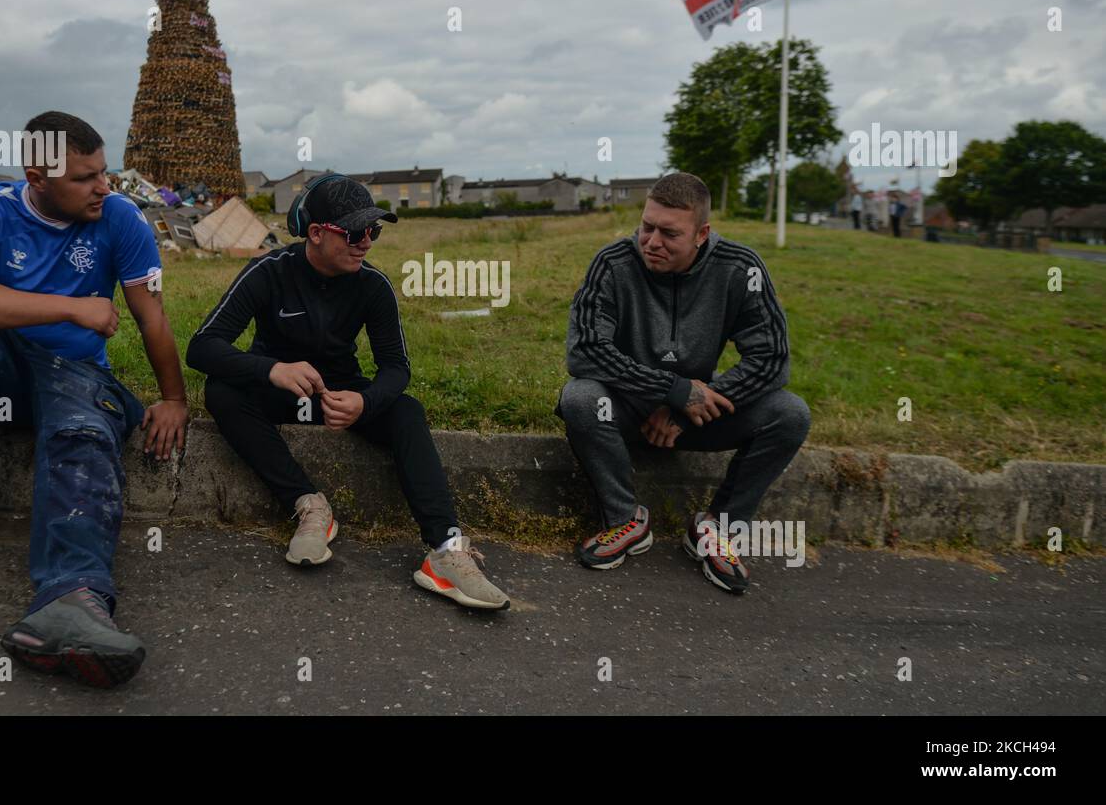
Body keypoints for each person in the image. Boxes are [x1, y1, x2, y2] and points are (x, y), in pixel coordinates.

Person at [0, 111, 188, 688]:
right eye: (84, 178)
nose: (102, 187)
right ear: (37, 175)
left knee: (83, 429)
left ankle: (71, 599)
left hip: (74, 373)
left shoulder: (121, 217)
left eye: (103, 172)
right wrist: (71, 306)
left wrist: (174, 397)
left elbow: (151, 317)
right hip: (1, 368)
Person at [187, 174, 509, 610]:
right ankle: (309, 505)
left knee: (406, 412)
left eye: (373, 231)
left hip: (342, 395)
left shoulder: (373, 286)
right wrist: (272, 370)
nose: (366, 243)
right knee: (221, 390)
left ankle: (446, 552)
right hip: (281, 391)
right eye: (355, 232)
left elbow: (397, 367)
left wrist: (365, 402)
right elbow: (202, 346)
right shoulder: (269, 271)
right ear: (316, 233)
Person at [556, 172, 810, 594]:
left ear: (701, 234)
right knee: (581, 398)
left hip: (698, 415)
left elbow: (772, 360)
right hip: (628, 408)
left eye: (669, 233)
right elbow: (584, 351)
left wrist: (685, 408)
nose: (652, 241)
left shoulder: (741, 268)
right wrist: (672, 391)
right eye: (647, 226)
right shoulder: (612, 263)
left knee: (789, 414)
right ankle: (625, 522)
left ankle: (717, 529)